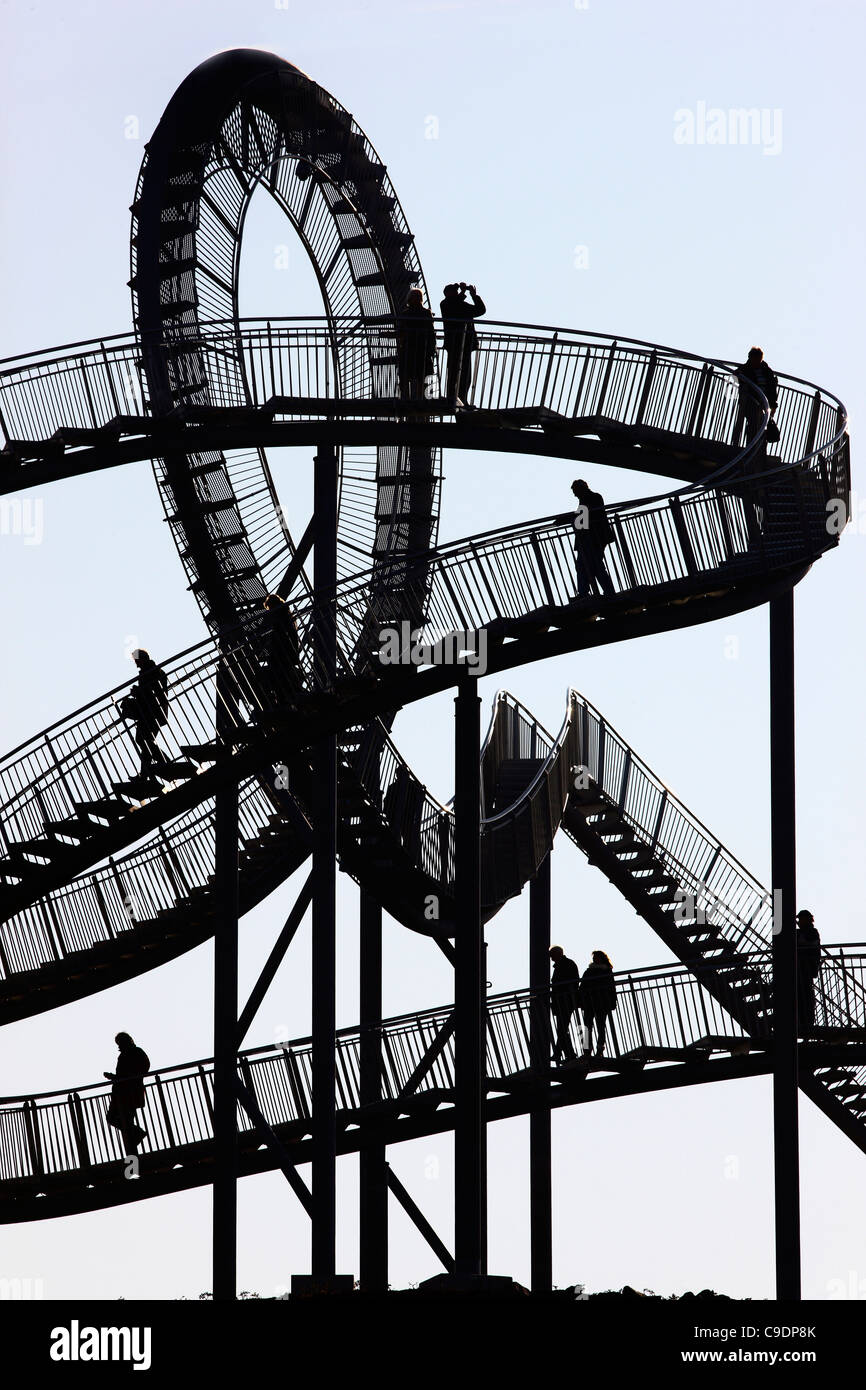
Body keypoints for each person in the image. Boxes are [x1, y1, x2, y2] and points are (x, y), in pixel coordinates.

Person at [117, 649, 169, 775]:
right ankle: (145, 773)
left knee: (142, 740)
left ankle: (163, 762)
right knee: (145, 741)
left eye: (136, 660)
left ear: (142, 659)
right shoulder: (154, 670)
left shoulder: (150, 671)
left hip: (151, 712)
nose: (136, 663)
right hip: (154, 712)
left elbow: (151, 692)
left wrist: (137, 692)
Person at [440, 282, 486, 406]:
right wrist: (463, 292)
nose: (456, 292)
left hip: (465, 344)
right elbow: (453, 305)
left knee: (466, 374)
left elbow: (481, 310)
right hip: (454, 344)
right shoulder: (445, 304)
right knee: (454, 372)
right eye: (453, 291)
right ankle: (451, 397)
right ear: (447, 294)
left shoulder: (461, 304)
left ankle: (462, 398)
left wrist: (474, 295)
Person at [104, 1031, 150, 1157]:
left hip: (127, 1093)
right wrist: (116, 1077)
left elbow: (140, 1070)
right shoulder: (132, 1053)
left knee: (116, 1118)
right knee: (122, 1120)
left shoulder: (134, 1053)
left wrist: (120, 1077)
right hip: (125, 1093)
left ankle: (136, 1138)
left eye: (119, 1043)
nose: (118, 1046)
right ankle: (134, 1140)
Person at [571, 479, 615, 599]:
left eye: (575, 491)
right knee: (586, 565)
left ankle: (590, 593)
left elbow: (585, 518)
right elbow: (583, 518)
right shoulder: (589, 498)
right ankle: (585, 593)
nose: (574, 494)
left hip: (594, 538)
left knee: (591, 565)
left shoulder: (592, 498)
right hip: (589, 539)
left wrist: (570, 519)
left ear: (581, 489)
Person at [259, 594, 302, 710]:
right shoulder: (286, 613)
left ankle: (282, 701)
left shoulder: (278, 616)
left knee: (279, 677)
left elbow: (274, 633)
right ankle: (287, 698)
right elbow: (292, 634)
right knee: (285, 676)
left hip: (280, 651)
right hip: (287, 651)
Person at [732, 346, 779, 456]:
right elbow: (735, 376)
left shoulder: (766, 371)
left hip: (764, 404)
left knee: (761, 426)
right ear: (750, 358)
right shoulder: (745, 369)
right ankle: (752, 449)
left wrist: (773, 405)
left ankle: (758, 450)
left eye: (758, 359)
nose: (756, 361)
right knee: (754, 425)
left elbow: (772, 389)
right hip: (750, 402)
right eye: (754, 359)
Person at [396, 287, 437, 400]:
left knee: (405, 375)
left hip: (409, 349)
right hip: (423, 350)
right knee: (423, 375)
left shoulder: (405, 314)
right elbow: (431, 333)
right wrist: (432, 349)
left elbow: (401, 332)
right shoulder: (426, 313)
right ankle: (423, 398)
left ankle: (405, 398)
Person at [578, 950, 617, 1057]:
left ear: (601, 958)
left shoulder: (604, 971)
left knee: (597, 1026)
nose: (594, 959)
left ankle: (597, 1049)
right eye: (594, 957)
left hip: (600, 1002)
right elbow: (582, 987)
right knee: (588, 1027)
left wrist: (612, 1002)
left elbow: (611, 988)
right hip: (591, 1002)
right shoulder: (592, 971)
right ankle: (588, 1050)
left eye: (596, 957)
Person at [548, 945, 581, 1064]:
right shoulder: (566, 964)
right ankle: (568, 1054)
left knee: (562, 1029)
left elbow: (570, 983)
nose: (551, 958)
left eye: (552, 955)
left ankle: (560, 1053)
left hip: (565, 1001)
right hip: (563, 1001)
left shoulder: (566, 965)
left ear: (558, 954)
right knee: (562, 1029)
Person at [796, 909, 822, 1035]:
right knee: (801, 997)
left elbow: (811, 946)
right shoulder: (801, 932)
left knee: (805, 996)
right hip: (800, 970)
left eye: (800, 919)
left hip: (805, 969)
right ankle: (803, 1021)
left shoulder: (812, 932)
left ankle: (806, 1022)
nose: (799, 922)